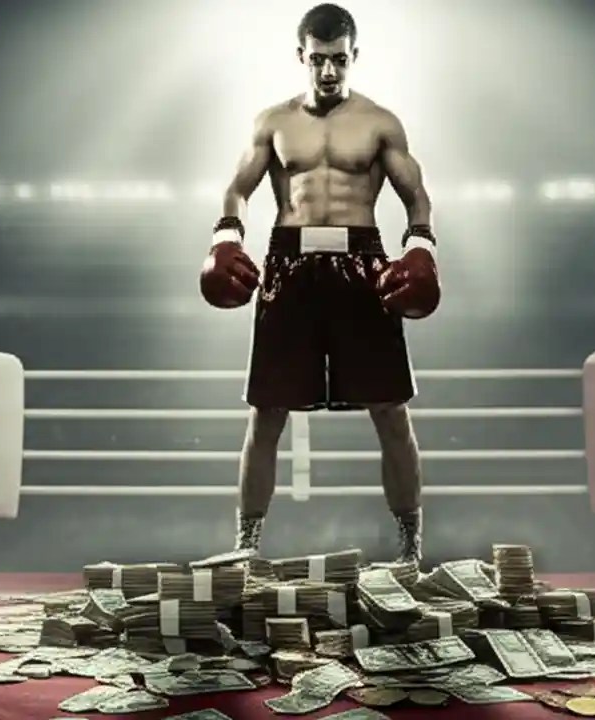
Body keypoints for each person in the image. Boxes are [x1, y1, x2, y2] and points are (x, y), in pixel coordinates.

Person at [198, 3, 440, 565]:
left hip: (363, 263)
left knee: (391, 410)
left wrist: (421, 247)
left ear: (353, 56)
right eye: (318, 60)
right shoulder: (273, 122)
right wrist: (226, 238)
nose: (328, 70)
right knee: (266, 412)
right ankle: (245, 547)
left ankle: (410, 549)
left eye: (338, 59)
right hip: (289, 264)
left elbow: (416, 196)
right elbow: (237, 189)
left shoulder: (380, 123)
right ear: (301, 57)